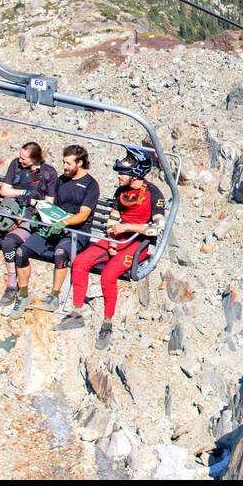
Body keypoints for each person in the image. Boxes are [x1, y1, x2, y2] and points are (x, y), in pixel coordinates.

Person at [55, 146, 166, 350]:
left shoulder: (153, 194)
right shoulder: (121, 192)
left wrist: (128, 227)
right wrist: (112, 237)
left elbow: (158, 227)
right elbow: (112, 218)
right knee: (79, 263)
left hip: (135, 243)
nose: (119, 177)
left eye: (123, 173)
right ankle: (76, 312)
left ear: (135, 174)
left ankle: (107, 324)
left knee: (108, 276)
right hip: (117, 238)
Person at [0, 144, 99, 319]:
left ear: (80, 163)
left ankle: (54, 296)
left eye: (68, 163)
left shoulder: (91, 185)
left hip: (76, 231)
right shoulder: (61, 180)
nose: (65, 167)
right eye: (63, 163)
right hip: (53, 227)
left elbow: (83, 215)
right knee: (21, 251)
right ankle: (22, 294)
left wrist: (63, 222)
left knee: (60, 252)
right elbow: (51, 204)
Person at [0, 142, 57, 304]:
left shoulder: (48, 173)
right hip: (9, 210)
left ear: (35, 158)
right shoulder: (16, 165)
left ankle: (12, 286)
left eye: (24, 158)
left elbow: (49, 203)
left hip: (30, 216)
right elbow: (4, 190)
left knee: (10, 243)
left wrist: (32, 202)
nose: (20, 160)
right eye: (20, 156)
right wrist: (23, 192)